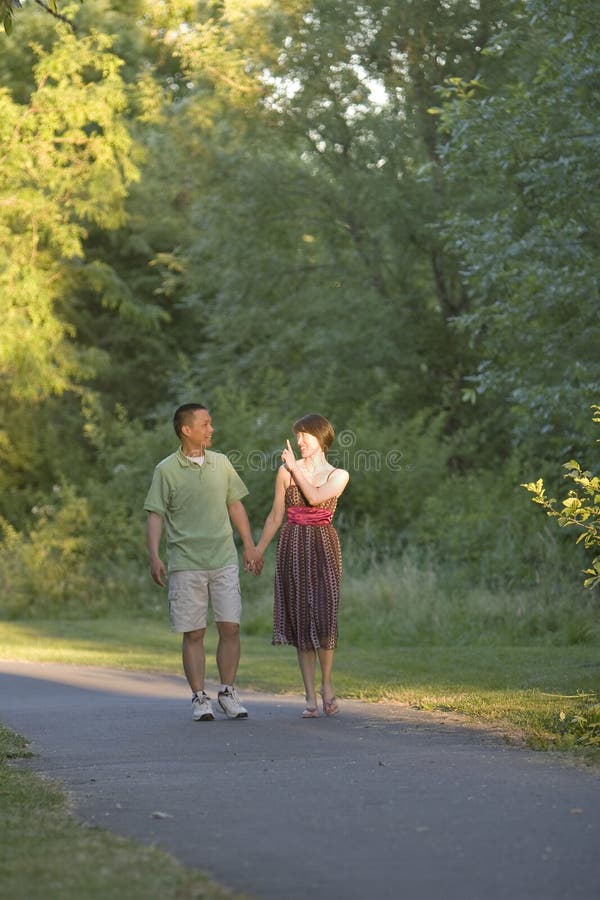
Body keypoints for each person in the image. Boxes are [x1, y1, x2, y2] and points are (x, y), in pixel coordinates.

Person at [144, 403, 260, 721]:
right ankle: (199, 697)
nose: (212, 429)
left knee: (230, 627)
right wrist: (154, 556)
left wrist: (249, 546)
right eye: (205, 424)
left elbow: (235, 506)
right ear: (187, 430)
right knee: (194, 632)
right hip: (186, 562)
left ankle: (228, 692)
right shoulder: (165, 470)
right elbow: (155, 515)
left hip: (224, 558)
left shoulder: (221, 463)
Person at [253, 413, 349, 718]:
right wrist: (257, 551)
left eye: (305, 435)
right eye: (297, 436)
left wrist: (295, 468)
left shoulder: (338, 475)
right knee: (302, 617)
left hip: (324, 545)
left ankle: (327, 685)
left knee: (325, 615)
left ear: (321, 437)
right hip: (292, 545)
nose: (299, 441)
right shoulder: (285, 473)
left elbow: (316, 497)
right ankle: (309, 695)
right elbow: (275, 516)